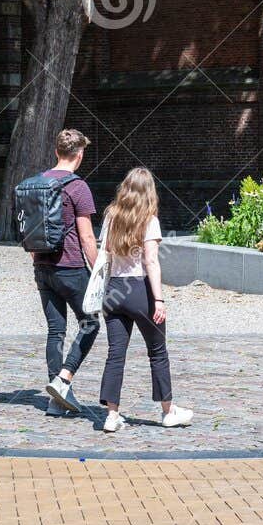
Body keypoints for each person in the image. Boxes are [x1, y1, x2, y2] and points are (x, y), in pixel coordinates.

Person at [82, 167, 193, 434]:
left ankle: (111, 414)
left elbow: (104, 252)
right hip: (139, 289)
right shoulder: (149, 220)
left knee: (115, 354)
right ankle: (168, 411)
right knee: (157, 351)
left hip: (114, 291)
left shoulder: (111, 215)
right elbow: (151, 261)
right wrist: (159, 299)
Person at [30, 130, 100, 416]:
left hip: (41, 267)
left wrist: (37, 260)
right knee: (91, 323)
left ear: (57, 152)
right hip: (70, 267)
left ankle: (55, 398)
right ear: (79, 154)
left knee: (55, 330)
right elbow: (86, 238)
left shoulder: (38, 183)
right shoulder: (78, 187)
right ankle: (64, 380)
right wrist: (98, 271)